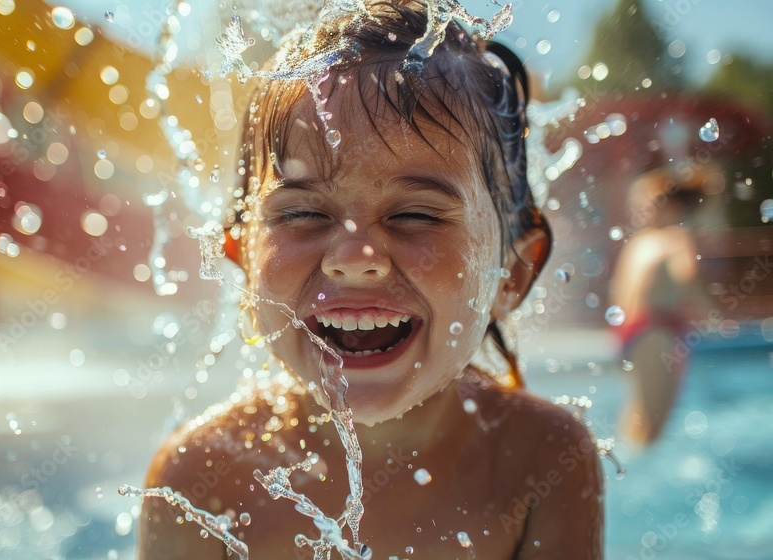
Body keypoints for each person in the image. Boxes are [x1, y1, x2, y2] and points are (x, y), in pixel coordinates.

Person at [137, 1, 604, 557]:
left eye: (416, 215)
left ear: (512, 273)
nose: (355, 256)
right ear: (244, 260)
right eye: (302, 214)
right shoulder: (200, 478)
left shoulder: (542, 462)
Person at [610, 165, 714, 446]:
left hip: (629, 332)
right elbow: (687, 284)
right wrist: (711, 314)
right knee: (652, 427)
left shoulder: (639, 241)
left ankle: (622, 469)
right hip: (656, 335)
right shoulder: (675, 240)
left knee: (634, 416)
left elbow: (621, 293)